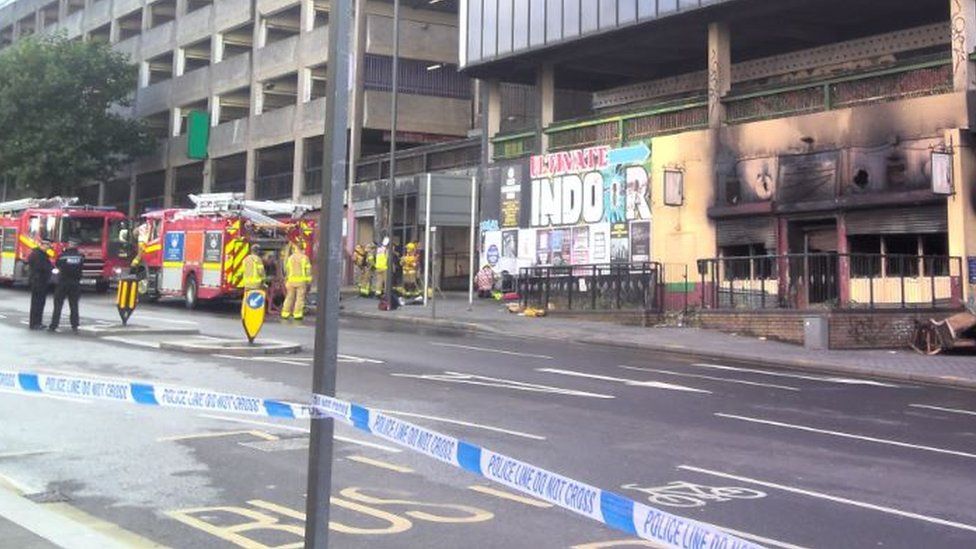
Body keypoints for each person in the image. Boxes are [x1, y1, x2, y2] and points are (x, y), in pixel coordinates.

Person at [49, 239, 84, 333]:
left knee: (58, 305)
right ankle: (75, 326)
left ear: (69, 245)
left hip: (63, 283)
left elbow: (57, 265)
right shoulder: (80, 257)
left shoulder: (62, 256)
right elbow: (81, 267)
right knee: (74, 305)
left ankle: (53, 325)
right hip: (75, 283)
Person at [281, 242, 312, 321]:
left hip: (290, 281)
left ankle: (285, 313)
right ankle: (297, 314)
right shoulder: (304, 258)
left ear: (296, 248)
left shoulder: (290, 258)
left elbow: (287, 270)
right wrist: (309, 281)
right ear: (302, 248)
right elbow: (308, 271)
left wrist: (286, 279)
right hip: (301, 281)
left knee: (289, 297)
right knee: (300, 298)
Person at [27, 240, 53, 330]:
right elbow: (42, 267)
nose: (48, 247)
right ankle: (35, 323)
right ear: (42, 245)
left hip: (39, 281)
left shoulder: (38, 253)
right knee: (38, 303)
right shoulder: (38, 255)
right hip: (39, 281)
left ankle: (36, 323)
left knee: (38, 303)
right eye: (47, 245)